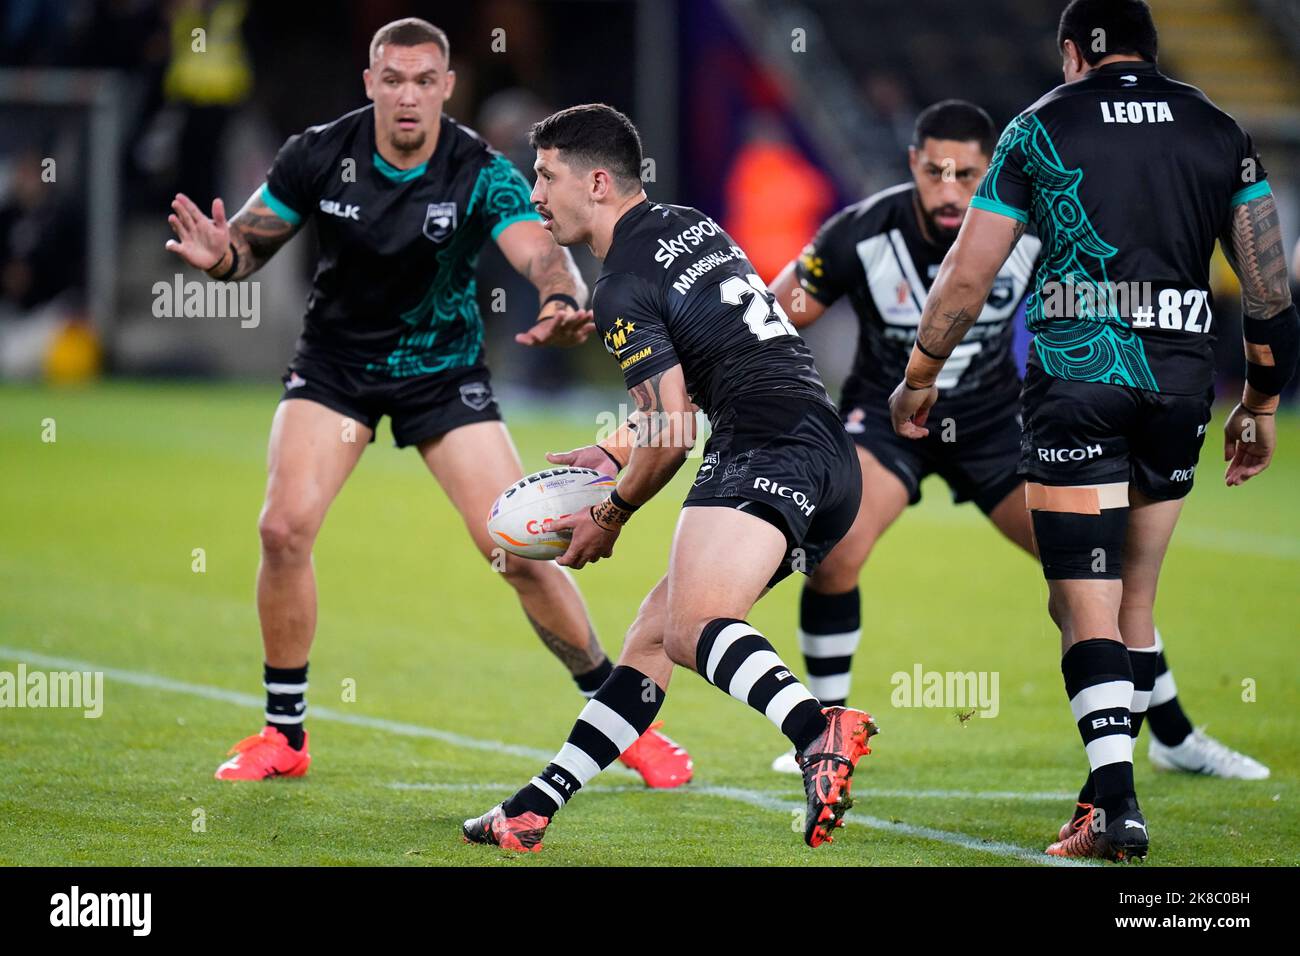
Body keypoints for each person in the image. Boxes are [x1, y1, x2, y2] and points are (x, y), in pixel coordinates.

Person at [162, 18, 691, 788]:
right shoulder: (317, 153)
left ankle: (624, 722)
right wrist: (222, 260)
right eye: (393, 79)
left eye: (424, 81)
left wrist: (559, 296)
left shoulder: (479, 168)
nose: (408, 95)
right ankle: (285, 736)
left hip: (442, 373)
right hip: (336, 367)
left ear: (448, 87)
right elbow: (245, 243)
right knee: (282, 529)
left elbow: (541, 252)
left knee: (517, 548)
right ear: (370, 82)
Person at [888, 0, 1297, 860]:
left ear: (1074, 53)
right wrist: (1259, 403)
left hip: (1079, 381)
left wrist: (920, 377)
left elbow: (967, 278)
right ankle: (1100, 792)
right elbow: (1269, 291)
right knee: (1132, 603)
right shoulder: (1220, 127)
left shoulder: (1040, 125)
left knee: (1083, 600)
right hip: (1181, 386)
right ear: (1151, 49)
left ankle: (1116, 805)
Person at [767, 99, 1268, 781]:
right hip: (888, 423)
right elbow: (769, 321)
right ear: (913, 163)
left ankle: (1173, 734)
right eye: (936, 172)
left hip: (996, 424)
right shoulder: (859, 233)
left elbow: (1103, 293)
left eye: (968, 176)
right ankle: (822, 733)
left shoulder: (1030, 227)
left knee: (1092, 574)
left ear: (990, 170)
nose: (951, 191)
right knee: (834, 552)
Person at [462, 103, 877, 853]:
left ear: (595, 182)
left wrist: (611, 513)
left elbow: (676, 430)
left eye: (545, 175)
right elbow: (699, 375)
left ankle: (818, 729)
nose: (534, 193)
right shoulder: (689, 223)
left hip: (761, 449)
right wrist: (616, 451)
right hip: (823, 455)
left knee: (692, 631)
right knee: (653, 637)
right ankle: (535, 805)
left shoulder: (620, 285)